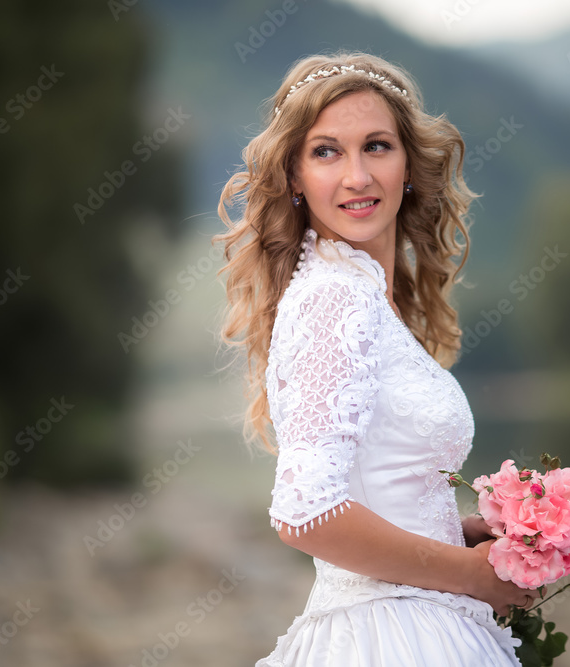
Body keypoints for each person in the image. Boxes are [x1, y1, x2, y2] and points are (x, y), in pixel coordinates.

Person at [216, 52, 529, 666]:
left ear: (409, 164)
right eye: (327, 152)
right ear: (294, 176)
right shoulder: (334, 296)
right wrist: (469, 573)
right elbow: (307, 514)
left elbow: (374, 489)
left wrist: (470, 536)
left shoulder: (364, 294)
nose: (357, 176)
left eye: (377, 146)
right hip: (388, 640)